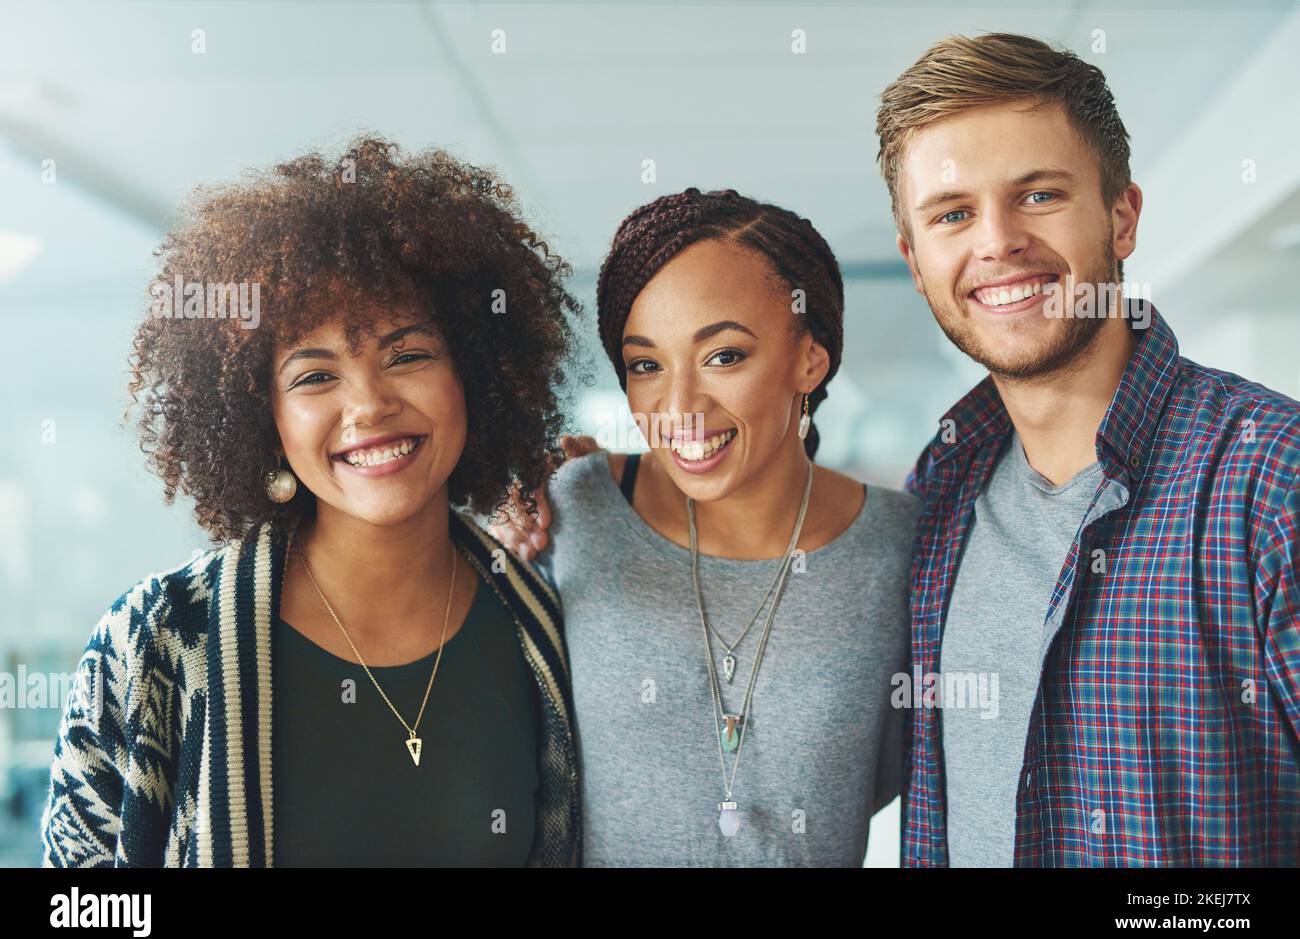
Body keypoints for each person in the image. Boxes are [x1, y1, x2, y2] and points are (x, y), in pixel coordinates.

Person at [40, 136, 581, 867]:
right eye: (314, 376)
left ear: (476, 376)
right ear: (262, 416)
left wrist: (607, 486)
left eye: (408, 354)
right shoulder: (157, 641)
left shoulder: (544, 628)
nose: (368, 405)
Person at [877, 33, 1300, 866]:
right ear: (916, 262)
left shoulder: (1272, 479)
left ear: (1122, 215)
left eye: (1037, 195)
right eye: (953, 213)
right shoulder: (938, 492)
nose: (996, 241)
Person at [492, 188, 918, 866]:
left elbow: (890, 775)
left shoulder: (903, 545)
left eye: (724, 356)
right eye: (646, 365)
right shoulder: (571, 512)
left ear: (811, 357)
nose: (679, 407)